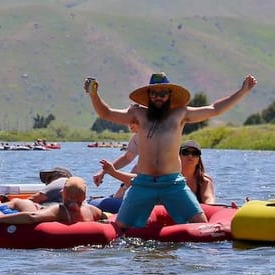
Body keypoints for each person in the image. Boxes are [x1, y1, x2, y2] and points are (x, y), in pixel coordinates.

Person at [83, 71, 256, 228]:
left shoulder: (180, 114)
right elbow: (106, 113)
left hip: (173, 183)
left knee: (202, 225)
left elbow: (215, 110)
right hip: (143, 183)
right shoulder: (138, 115)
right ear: (149, 95)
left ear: (169, 95)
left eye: (163, 93)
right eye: (154, 93)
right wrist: (93, 94)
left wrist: (243, 91)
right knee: (120, 228)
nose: (159, 97)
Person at [92, 121, 140, 187]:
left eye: (132, 119)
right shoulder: (137, 137)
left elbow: (144, 177)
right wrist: (103, 172)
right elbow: (127, 158)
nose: (128, 124)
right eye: (127, 119)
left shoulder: (157, 136)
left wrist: (113, 172)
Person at [177, 140, 215, 204]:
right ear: (179, 156)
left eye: (195, 153)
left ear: (198, 159)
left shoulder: (204, 181)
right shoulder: (169, 179)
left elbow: (209, 201)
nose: (190, 156)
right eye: (185, 152)